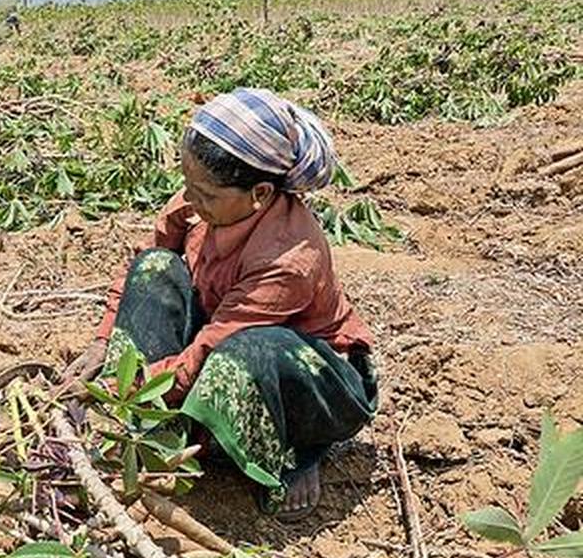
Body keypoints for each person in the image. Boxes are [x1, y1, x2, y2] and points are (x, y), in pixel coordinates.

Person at [63, 88, 378, 521]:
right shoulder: (197, 203)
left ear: (261, 194)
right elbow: (142, 265)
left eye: (206, 194)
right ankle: (151, 425)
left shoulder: (288, 261)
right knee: (156, 268)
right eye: (188, 185)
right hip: (222, 338)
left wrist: (118, 392)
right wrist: (104, 347)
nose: (192, 200)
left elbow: (213, 346)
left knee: (244, 352)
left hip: (312, 382)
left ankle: (296, 452)